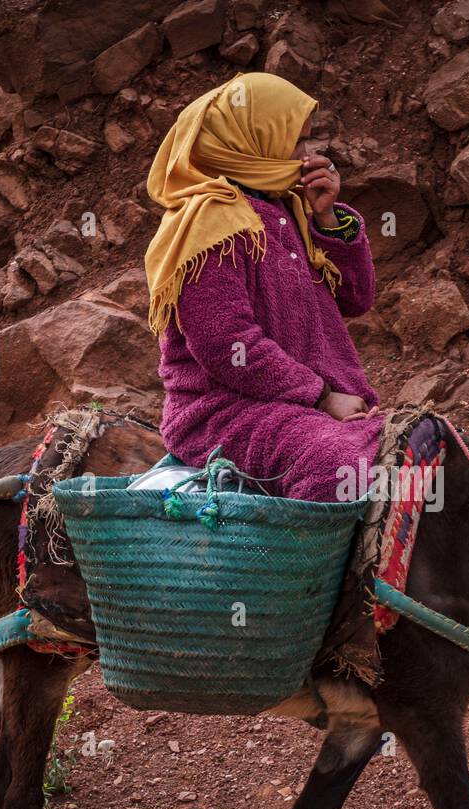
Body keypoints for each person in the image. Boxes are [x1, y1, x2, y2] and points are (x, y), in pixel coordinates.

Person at [145, 71, 383, 502]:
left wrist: (329, 220)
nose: (307, 156)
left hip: (307, 406)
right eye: (295, 142)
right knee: (340, 467)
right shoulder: (208, 223)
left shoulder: (288, 209)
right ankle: (313, 572)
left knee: (424, 446)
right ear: (252, 140)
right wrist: (322, 397)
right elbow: (227, 345)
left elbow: (356, 299)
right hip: (224, 411)